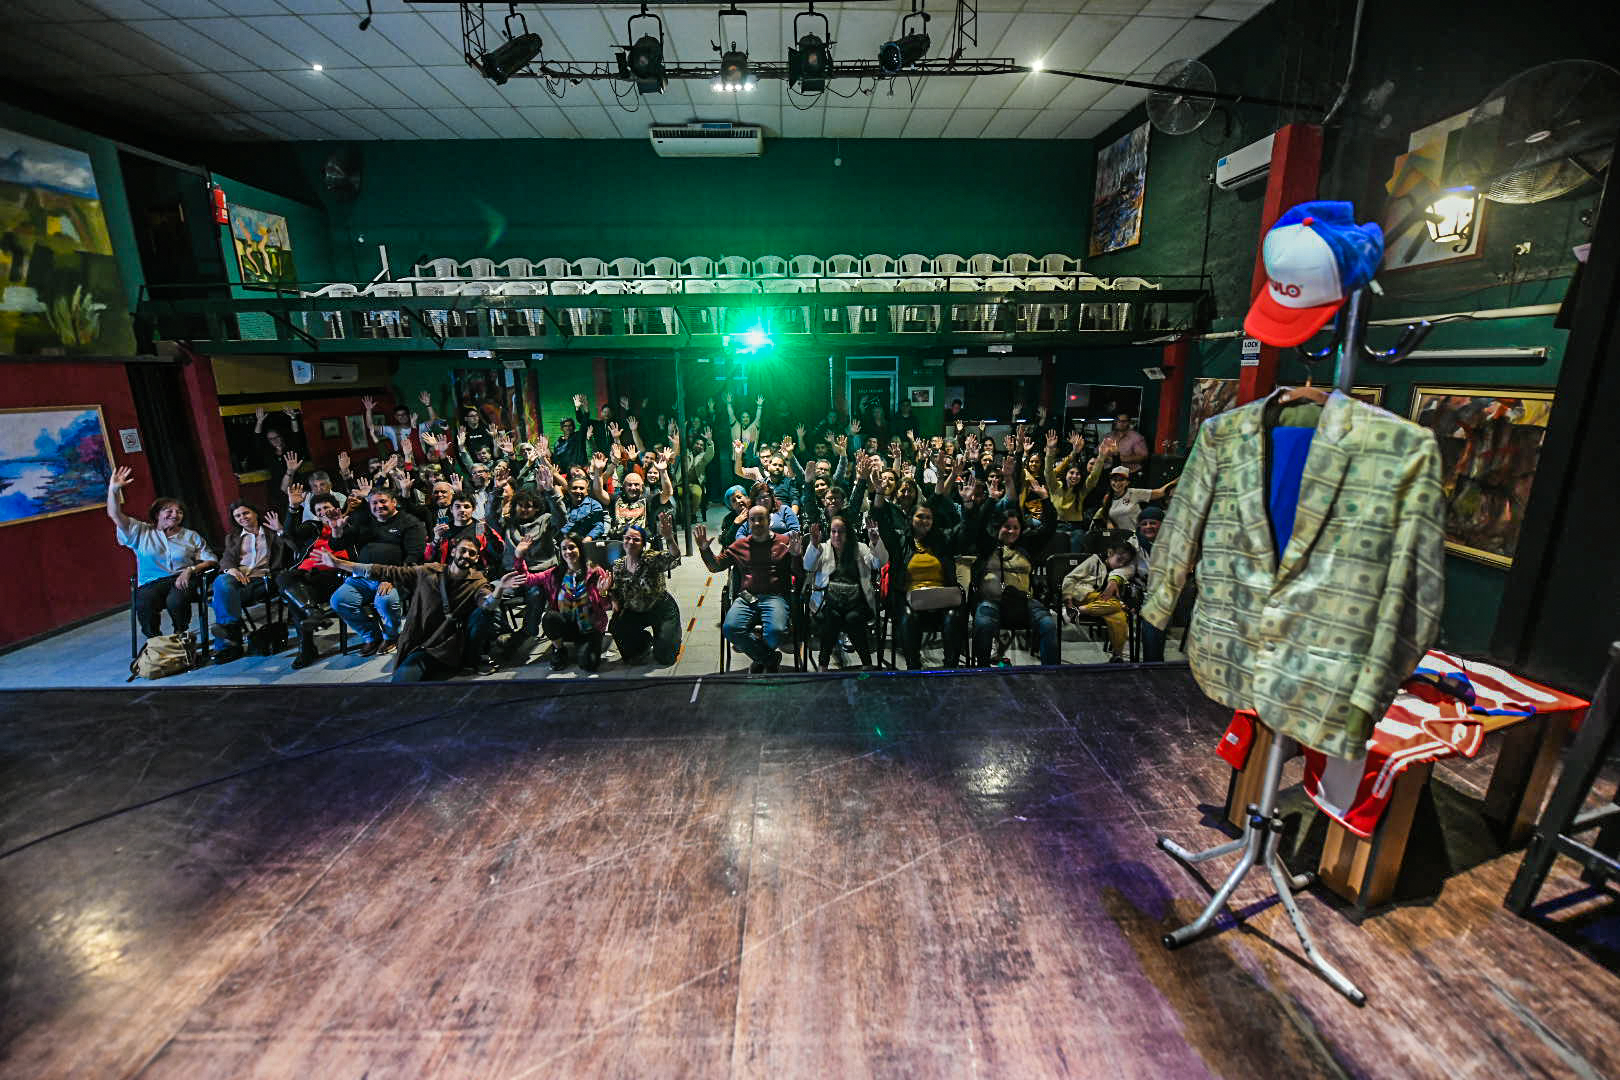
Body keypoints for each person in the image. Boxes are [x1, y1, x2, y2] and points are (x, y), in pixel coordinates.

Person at [316, 539, 523, 681]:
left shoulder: (477, 581)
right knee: (403, 683)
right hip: (425, 644)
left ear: (477, 559)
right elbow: (382, 570)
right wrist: (339, 563)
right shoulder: (428, 572)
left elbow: (487, 604)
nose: (467, 555)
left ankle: (473, 659)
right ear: (453, 552)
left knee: (483, 615)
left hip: (455, 644)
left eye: (472, 553)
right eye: (463, 550)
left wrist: (500, 590)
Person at [107, 466, 218, 641]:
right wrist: (114, 490)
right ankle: (155, 642)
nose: (175, 514)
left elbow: (211, 560)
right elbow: (114, 514)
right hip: (152, 582)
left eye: (179, 512)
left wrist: (191, 570)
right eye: (170, 510)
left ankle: (181, 636)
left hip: (182, 578)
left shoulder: (190, 536)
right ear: (157, 513)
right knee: (143, 602)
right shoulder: (140, 531)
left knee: (176, 600)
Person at [697, 506, 796, 674]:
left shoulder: (783, 542)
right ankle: (768, 658)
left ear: (769, 521)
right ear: (748, 523)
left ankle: (760, 658)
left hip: (775, 597)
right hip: (747, 597)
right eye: (752, 519)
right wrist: (705, 549)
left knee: (776, 631)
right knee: (730, 628)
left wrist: (797, 556)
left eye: (761, 519)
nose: (757, 523)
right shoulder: (740, 545)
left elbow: (799, 573)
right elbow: (715, 566)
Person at [329, 488, 426, 657]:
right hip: (362, 577)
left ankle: (391, 637)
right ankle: (371, 636)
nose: (378, 506)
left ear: (394, 502)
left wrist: (393, 579)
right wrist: (336, 530)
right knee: (339, 600)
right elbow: (338, 545)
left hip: (395, 578)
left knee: (385, 601)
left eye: (383, 501)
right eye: (374, 503)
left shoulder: (410, 523)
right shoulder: (363, 521)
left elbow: (414, 556)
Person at [972, 501, 1059, 667]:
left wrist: (1046, 500)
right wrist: (990, 500)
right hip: (993, 601)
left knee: (1048, 625)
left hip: (1024, 600)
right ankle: (981, 670)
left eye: (1015, 527)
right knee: (983, 624)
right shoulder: (987, 545)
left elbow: (1049, 528)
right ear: (998, 526)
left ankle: (1051, 673)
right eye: (1007, 526)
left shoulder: (1027, 545)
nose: (1011, 531)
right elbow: (978, 524)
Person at [278, 487, 352, 669]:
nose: (322, 512)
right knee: (286, 579)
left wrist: (337, 528)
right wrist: (293, 508)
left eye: (326, 507)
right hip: (308, 578)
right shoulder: (313, 528)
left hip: (336, 576)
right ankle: (312, 612)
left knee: (295, 597)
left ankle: (307, 647)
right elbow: (291, 533)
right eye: (318, 511)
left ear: (337, 507)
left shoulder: (348, 525)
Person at [209, 501, 291, 662]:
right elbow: (226, 558)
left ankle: (228, 644)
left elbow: (293, 549)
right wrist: (230, 569)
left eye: (246, 513)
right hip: (239, 577)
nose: (242, 518)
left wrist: (281, 530)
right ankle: (231, 631)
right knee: (222, 582)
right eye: (238, 516)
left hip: (263, 577)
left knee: (221, 597)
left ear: (255, 513)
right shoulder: (232, 537)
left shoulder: (270, 532)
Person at [803, 517, 887, 670]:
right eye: (833, 532)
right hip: (827, 602)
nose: (836, 535)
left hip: (856, 601)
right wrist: (813, 545)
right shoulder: (822, 548)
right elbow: (808, 565)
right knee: (832, 616)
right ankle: (823, 664)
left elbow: (878, 563)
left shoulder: (859, 548)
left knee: (852, 618)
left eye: (840, 532)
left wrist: (875, 541)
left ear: (848, 533)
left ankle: (866, 664)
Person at [524, 533, 612, 671]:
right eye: (564, 548)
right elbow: (528, 579)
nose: (568, 552)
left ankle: (584, 646)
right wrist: (519, 556)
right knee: (550, 617)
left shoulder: (595, 571)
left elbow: (606, 606)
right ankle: (559, 650)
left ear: (580, 549)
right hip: (566, 624)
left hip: (590, 626)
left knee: (589, 665)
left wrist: (603, 593)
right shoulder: (554, 573)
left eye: (571, 547)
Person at [607, 513, 683, 666]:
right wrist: (607, 591)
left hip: (660, 609)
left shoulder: (651, 558)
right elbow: (616, 597)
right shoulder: (618, 565)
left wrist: (669, 538)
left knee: (665, 658)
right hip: (635, 609)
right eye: (627, 538)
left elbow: (674, 556)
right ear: (623, 542)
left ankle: (670, 635)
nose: (631, 542)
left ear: (643, 544)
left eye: (636, 539)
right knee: (617, 627)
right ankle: (645, 641)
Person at [1060, 539, 1136, 662]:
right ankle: (1073, 610)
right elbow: (1070, 578)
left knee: (1119, 615)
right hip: (1083, 595)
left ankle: (1117, 656)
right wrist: (1068, 601)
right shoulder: (1094, 560)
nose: (1121, 565)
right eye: (1119, 560)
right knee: (1115, 605)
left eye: (1125, 563)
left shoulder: (1118, 573)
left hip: (1101, 602)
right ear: (1110, 553)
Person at [1092, 465, 1176, 533]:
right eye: (1114, 479)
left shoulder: (1134, 493)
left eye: (1121, 480)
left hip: (1141, 534)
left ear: (1127, 482)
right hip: (1122, 540)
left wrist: (1181, 478)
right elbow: (1107, 519)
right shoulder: (1107, 498)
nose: (1117, 483)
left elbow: (1160, 492)